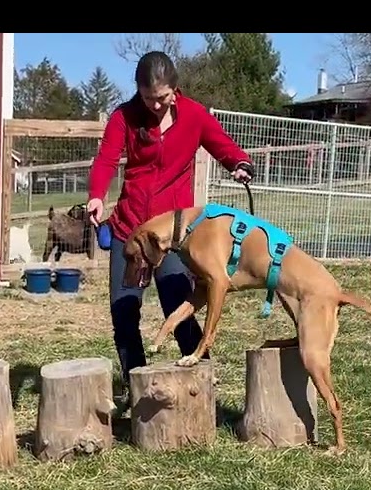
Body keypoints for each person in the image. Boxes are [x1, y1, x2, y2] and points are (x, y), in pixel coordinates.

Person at [85, 51, 254, 395]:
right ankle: (136, 386)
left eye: (161, 98)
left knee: (180, 307)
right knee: (125, 311)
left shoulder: (195, 116)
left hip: (173, 235)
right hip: (129, 229)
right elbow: (105, 159)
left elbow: (223, 146)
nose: (155, 106)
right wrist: (97, 195)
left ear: (175, 90)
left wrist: (239, 163)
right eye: (148, 99)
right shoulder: (124, 117)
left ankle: (201, 381)